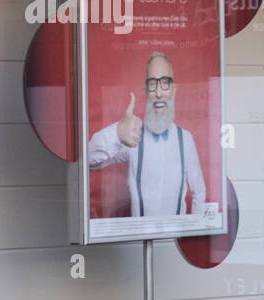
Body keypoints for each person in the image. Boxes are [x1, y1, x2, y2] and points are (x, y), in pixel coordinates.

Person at [87, 51, 207, 218]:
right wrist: (116, 134)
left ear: (174, 90)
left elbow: (199, 192)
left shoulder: (185, 139)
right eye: (152, 84)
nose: (158, 93)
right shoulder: (132, 136)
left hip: (173, 241)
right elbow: (88, 161)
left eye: (165, 83)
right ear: (145, 91)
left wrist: (193, 235)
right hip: (138, 241)